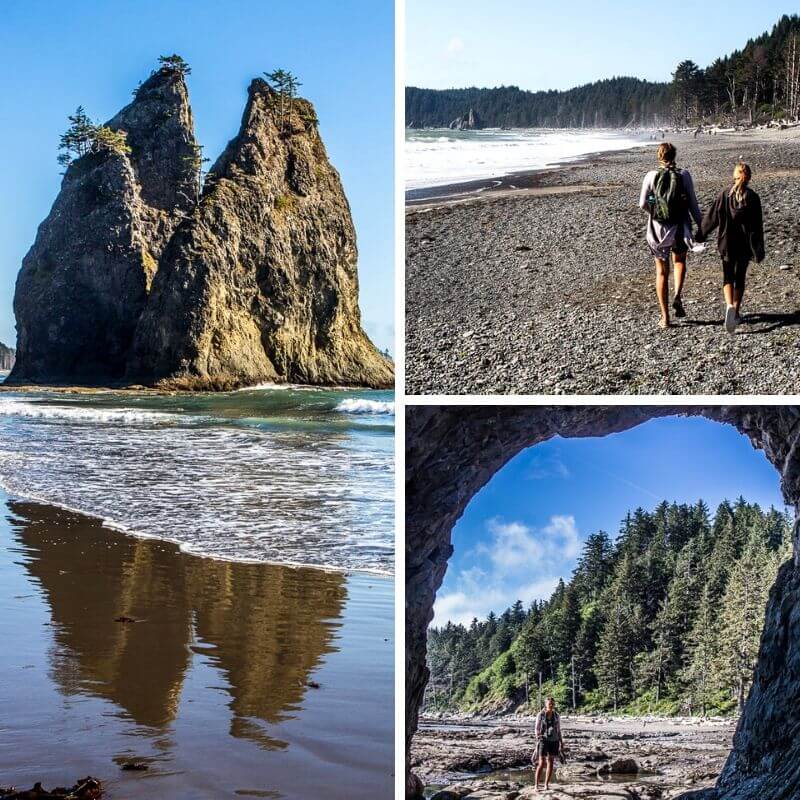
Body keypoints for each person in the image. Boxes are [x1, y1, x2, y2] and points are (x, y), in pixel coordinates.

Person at [639, 142, 704, 328]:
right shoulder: (684, 175)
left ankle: (665, 318)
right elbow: (693, 204)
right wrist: (701, 226)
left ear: (659, 156)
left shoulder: (651, 176)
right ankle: (677, 296)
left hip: (658, 230)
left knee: (661, 271)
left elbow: (642, 203)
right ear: (674, 156)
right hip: (679, 227)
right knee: (679, 261)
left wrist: (656, 208)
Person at [699, 162, 765, 334]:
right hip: (744, 245)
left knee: (728, 276)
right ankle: (736, 311)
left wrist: (700, 234)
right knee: (740, 278)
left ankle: (729, 305)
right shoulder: (753, 197)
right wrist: (758, 250)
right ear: (749, 177)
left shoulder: (724, 195)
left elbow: (711, 217)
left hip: (726, 243)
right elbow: (757, 227)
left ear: (734, 176)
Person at [533, 696, 564, 792]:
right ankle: (536, 785)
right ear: (545, 704)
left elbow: (558, 730)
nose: (551, 705)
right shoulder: (540, 715)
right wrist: (538, 736)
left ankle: (546, 785)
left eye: (553, 704)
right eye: (549, 704)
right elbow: (536, 728)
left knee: (551, 762)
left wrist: (561, 742)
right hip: (543, 740)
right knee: (541, 763)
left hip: (554, 740)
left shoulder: (556, 715)